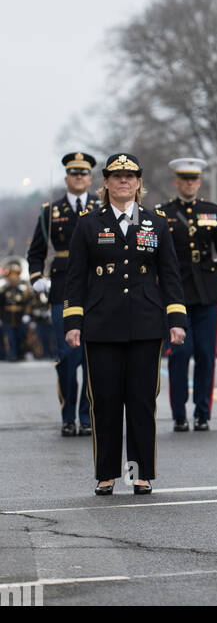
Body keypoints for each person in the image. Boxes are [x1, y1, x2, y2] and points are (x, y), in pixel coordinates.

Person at [63, 153, 188, 496]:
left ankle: (139, 473)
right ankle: (106, 474)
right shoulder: (89, 223)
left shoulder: (156, 223)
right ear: (105, 182)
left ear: (138, 183)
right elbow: (75, 278)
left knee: (141, 402)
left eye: (130, 176)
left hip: (146, 325)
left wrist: (176, 319)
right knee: (104, 401)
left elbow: (171, 275)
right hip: (101, 325)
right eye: (116, 176)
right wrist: (73, 322)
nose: (123, 181)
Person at [28, 152, 101, 436]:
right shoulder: (51, 211)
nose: (80, 177)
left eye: (84, 173)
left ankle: (85, 416)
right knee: (67, 356)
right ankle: (67, 414)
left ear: (90, 177)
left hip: (95, 288)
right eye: (75, 173)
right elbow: (35, 252)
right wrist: (36, 278)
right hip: (62, 288)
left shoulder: (100, 207)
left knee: (91, 356)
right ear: (66, 177)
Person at [163, 158, 217, 432]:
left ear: (199, 182)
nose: (189, 184)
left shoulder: (212, 211)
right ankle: (179, 413)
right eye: (184, 179)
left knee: (206, 353)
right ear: (177, 182)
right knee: (180, 354)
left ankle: (202, 412)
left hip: (207, 293)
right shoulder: (164, 213)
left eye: (193, 179)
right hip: (178, 293)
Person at [0, 262, 34, 361]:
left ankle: (20, 354)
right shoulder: (4, 291)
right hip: (7, 317)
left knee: (20, 337)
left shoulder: (23, 291)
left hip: (20, 317)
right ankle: (12, 355)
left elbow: (27, 304)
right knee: (10, 337)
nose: (13, 279)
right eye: (11, 277)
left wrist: (27, 315)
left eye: (15, 276)